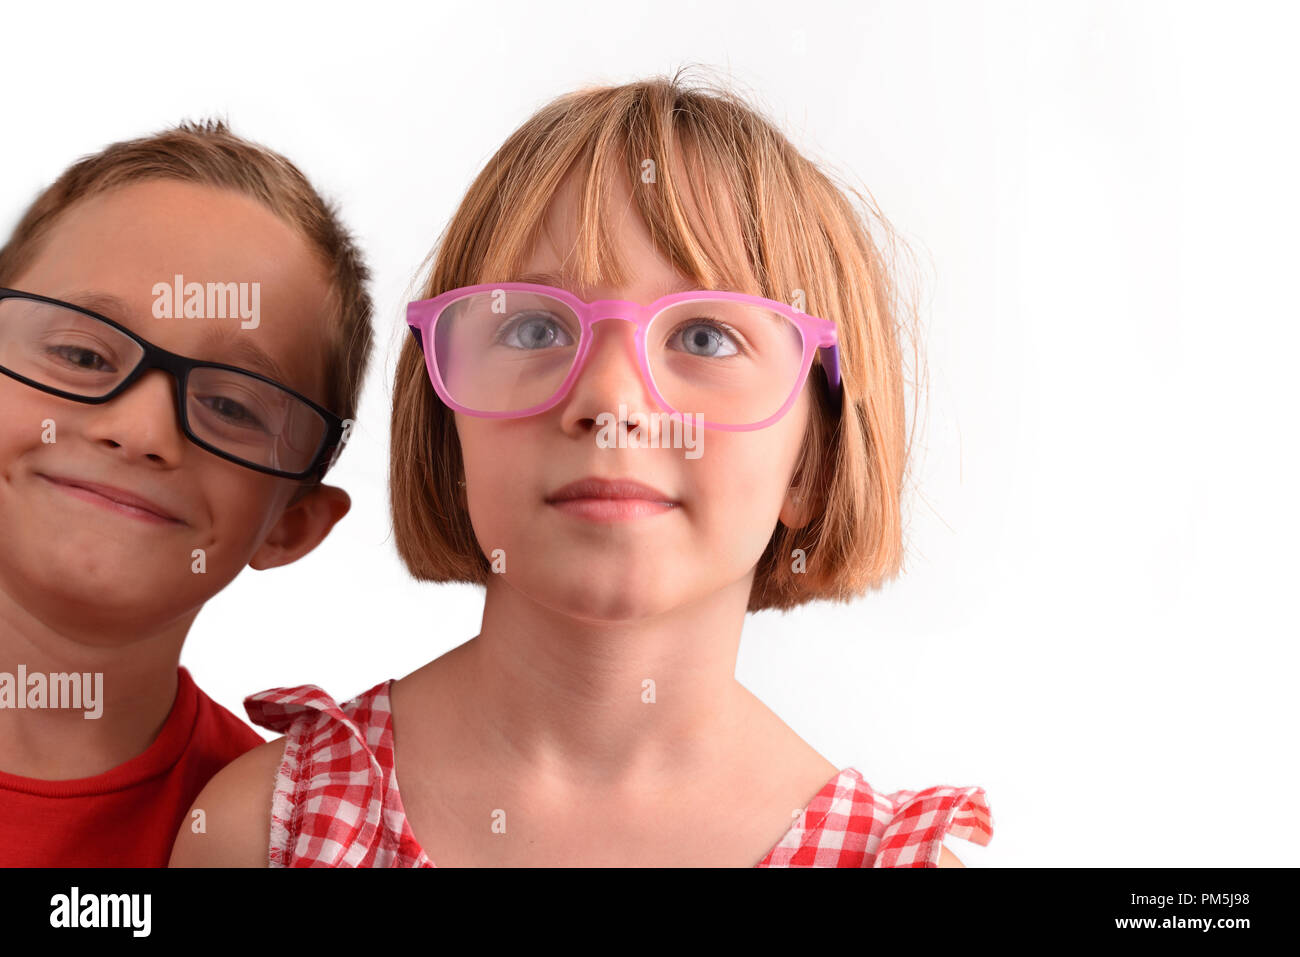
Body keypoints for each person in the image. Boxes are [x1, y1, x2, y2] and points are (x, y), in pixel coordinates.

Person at [173, 70, 992, 867]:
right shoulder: (267, 832)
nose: (608, 397)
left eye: (705, 337)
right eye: (533, 330)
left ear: (812, 465)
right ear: (446, 425)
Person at [0, 119, 373, 866]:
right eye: (79, 351)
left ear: (293, 526)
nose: (140, 429)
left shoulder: (272, 843)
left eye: (232, 406)